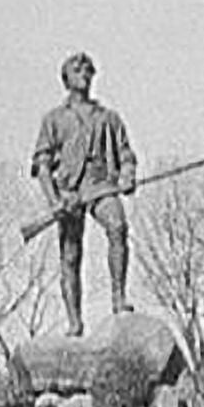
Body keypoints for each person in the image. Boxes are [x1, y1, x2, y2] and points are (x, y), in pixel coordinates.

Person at [31, 52, 138, 336]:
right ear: (66, 78)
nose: (84, 74)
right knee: (70, 256)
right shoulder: (54, 119)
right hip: (69, 193)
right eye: (77, 70)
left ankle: (118, 298)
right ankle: (74, 322)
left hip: (101, 185)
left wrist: (127, 175)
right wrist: (54, 201)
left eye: (88, 70)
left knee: (118, 226)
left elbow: (126, 154)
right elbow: (41, 165)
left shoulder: (109, 118)